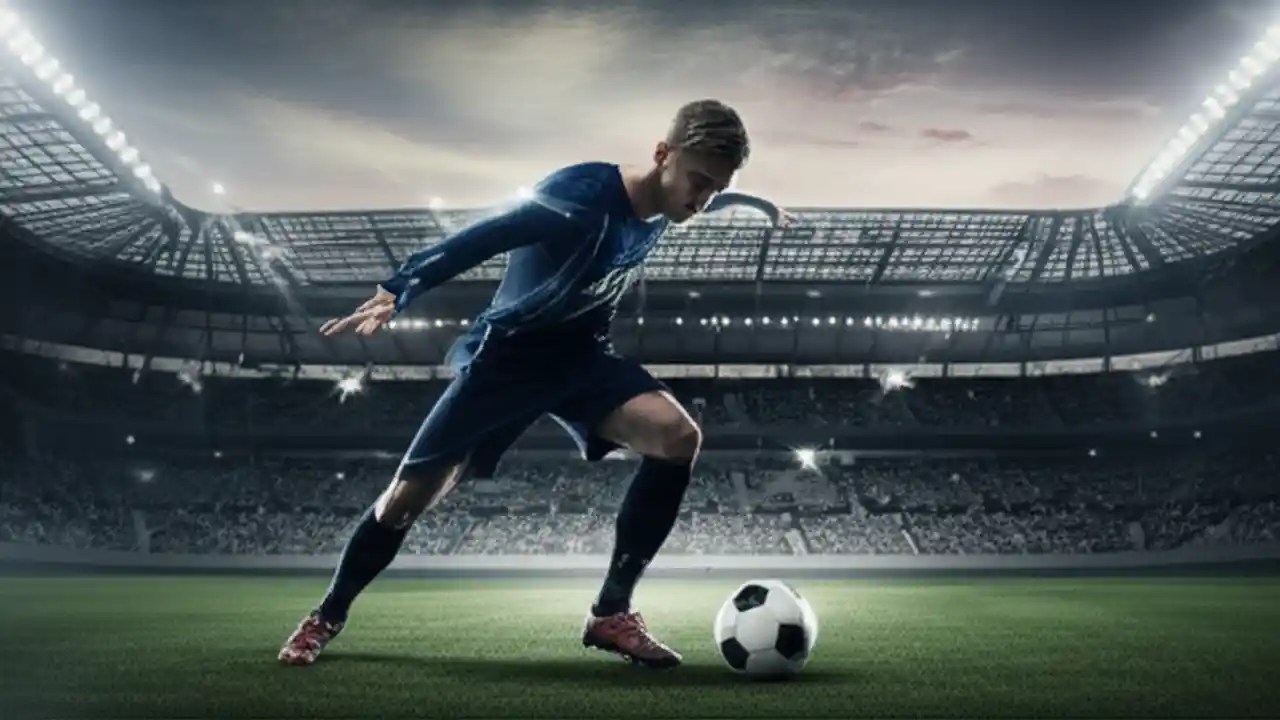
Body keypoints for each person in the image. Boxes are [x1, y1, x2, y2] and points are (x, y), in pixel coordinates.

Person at [278, 99, 794, 669]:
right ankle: (326, 615)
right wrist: (402, 286)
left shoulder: (672, 198)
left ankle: (611, 614)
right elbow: (489, 234)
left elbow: (704, 194)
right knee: (403, 504)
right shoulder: (580, 200)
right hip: (508, 361)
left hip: (580, 358)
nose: (703, 202)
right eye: (700, 183)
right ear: (661, 154)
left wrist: (755, 202)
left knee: (678, 436)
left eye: (717, 190)